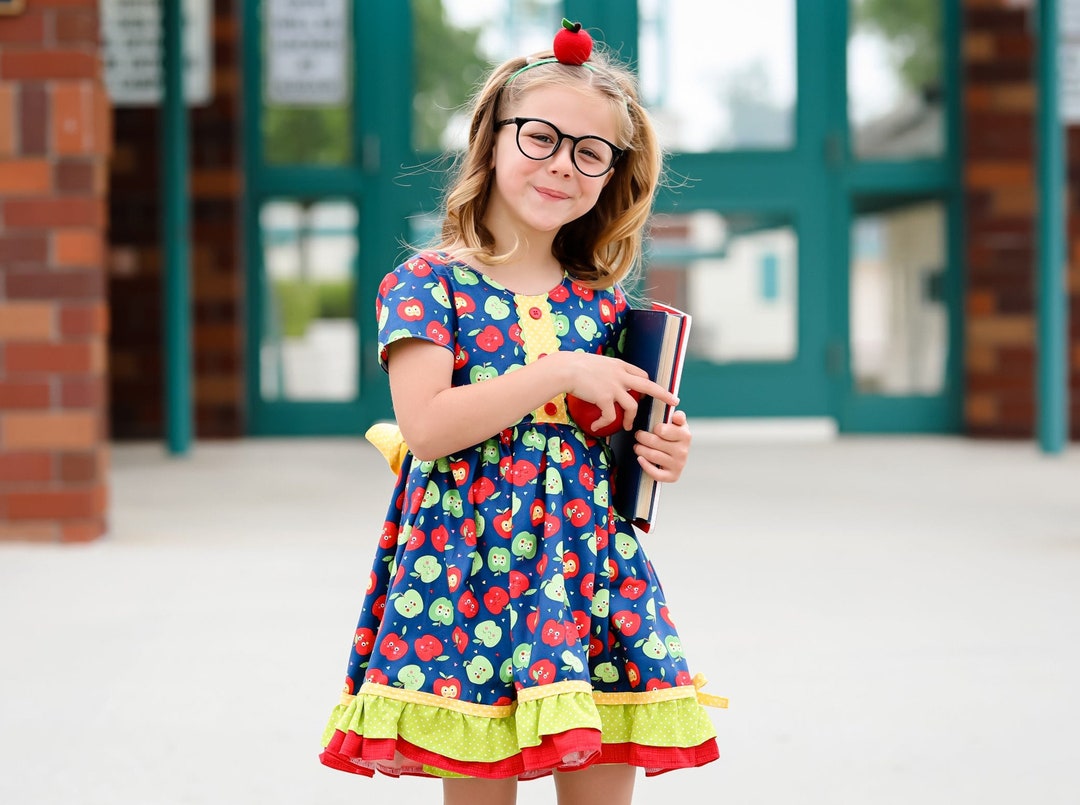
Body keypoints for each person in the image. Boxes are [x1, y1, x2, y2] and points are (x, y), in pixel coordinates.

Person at [319, 19, 724, 805]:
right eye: (540, 137)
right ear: (493, 140)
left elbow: (607, 448)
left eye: (590, 152)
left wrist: (662, 451)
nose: (562, 165)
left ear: (612, 173)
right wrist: (558, 370)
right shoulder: (429, 285)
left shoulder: (603, 308)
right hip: (465, 578)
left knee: (606, 767)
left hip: (591, 579)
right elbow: (429, 425)